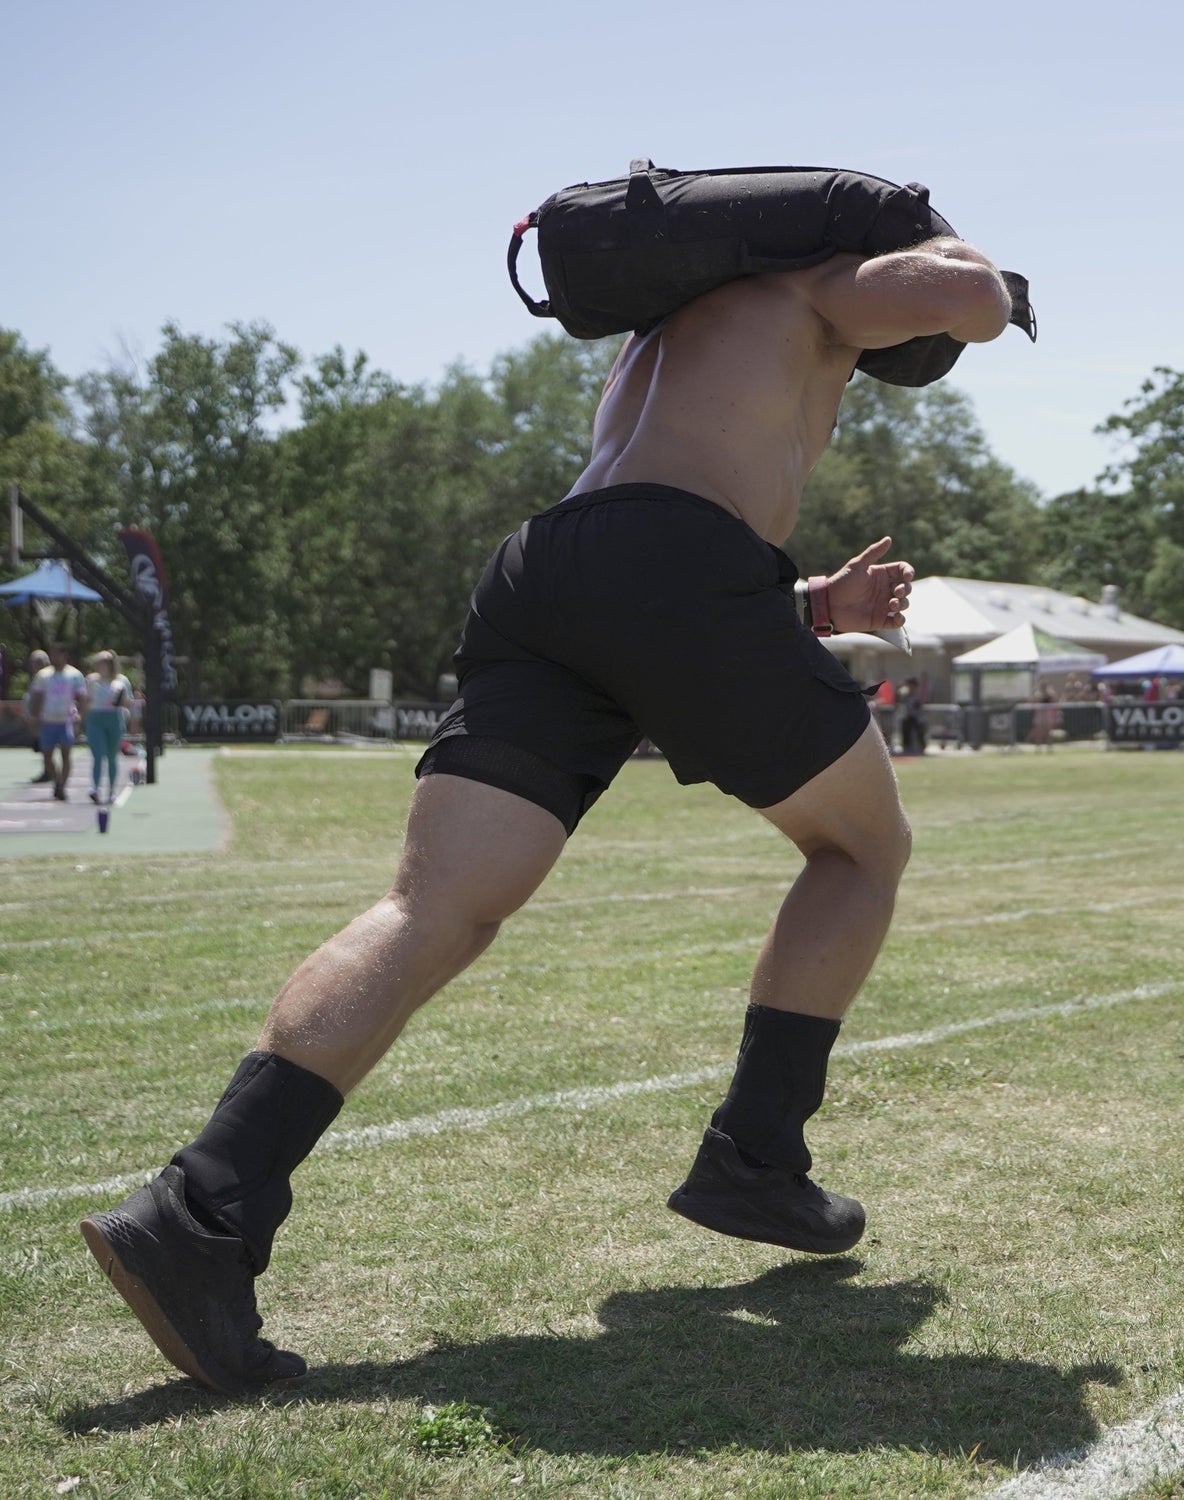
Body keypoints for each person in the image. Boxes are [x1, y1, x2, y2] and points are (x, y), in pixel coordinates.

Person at [80, 229, 1015, 1395]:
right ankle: (758, 1156)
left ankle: (200, 1208)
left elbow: (649, 518)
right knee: (864, 845)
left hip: (551, 568)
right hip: (672, 565)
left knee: (434, 907)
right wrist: (987, 274)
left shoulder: (668, 323)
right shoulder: (814, 270)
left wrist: (811, 604)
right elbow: (968, 299)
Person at [26, 644, 87, 801]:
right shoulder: (43, 675)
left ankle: (62, 786)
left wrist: (81, 716)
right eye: (51, 654)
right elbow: (37, 697)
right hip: (47, 720)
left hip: (65, 719)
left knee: (66, 754)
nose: (54, 658)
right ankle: (57, 781)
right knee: (47, 756)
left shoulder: (74, 675)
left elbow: (81, 697)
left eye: (56, 654)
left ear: (64, 655)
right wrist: (34, 717)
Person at [84, 649, 133, 807]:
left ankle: (111, 791)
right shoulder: (91, 680)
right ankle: (96, 790)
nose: (101, 666)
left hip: (114, 719)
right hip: (96, 718)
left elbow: (128, 702)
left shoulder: (121, 681)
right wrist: (81, 720)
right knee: (97, 755)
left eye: (105, 663)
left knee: (112, 756)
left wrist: (121, 699)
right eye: (99, 663)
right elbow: (85, 701)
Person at [23, 648, 53, 782]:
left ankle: (50, 773)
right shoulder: (36, 678)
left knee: (47, 747)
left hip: (46, 718)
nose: (33, 666)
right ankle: (47, 771)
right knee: (42, 746)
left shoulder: (48, 678)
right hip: (36, 719)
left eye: (37, 662)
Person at [896, 676, 927, 756]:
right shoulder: (905, 693)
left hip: (916, 716)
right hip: (908, 716)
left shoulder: (917, 693)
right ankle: (907, 747)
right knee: (905, 728)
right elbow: (899, 700)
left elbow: (919, 704)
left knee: (919, 729)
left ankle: (921, 747)